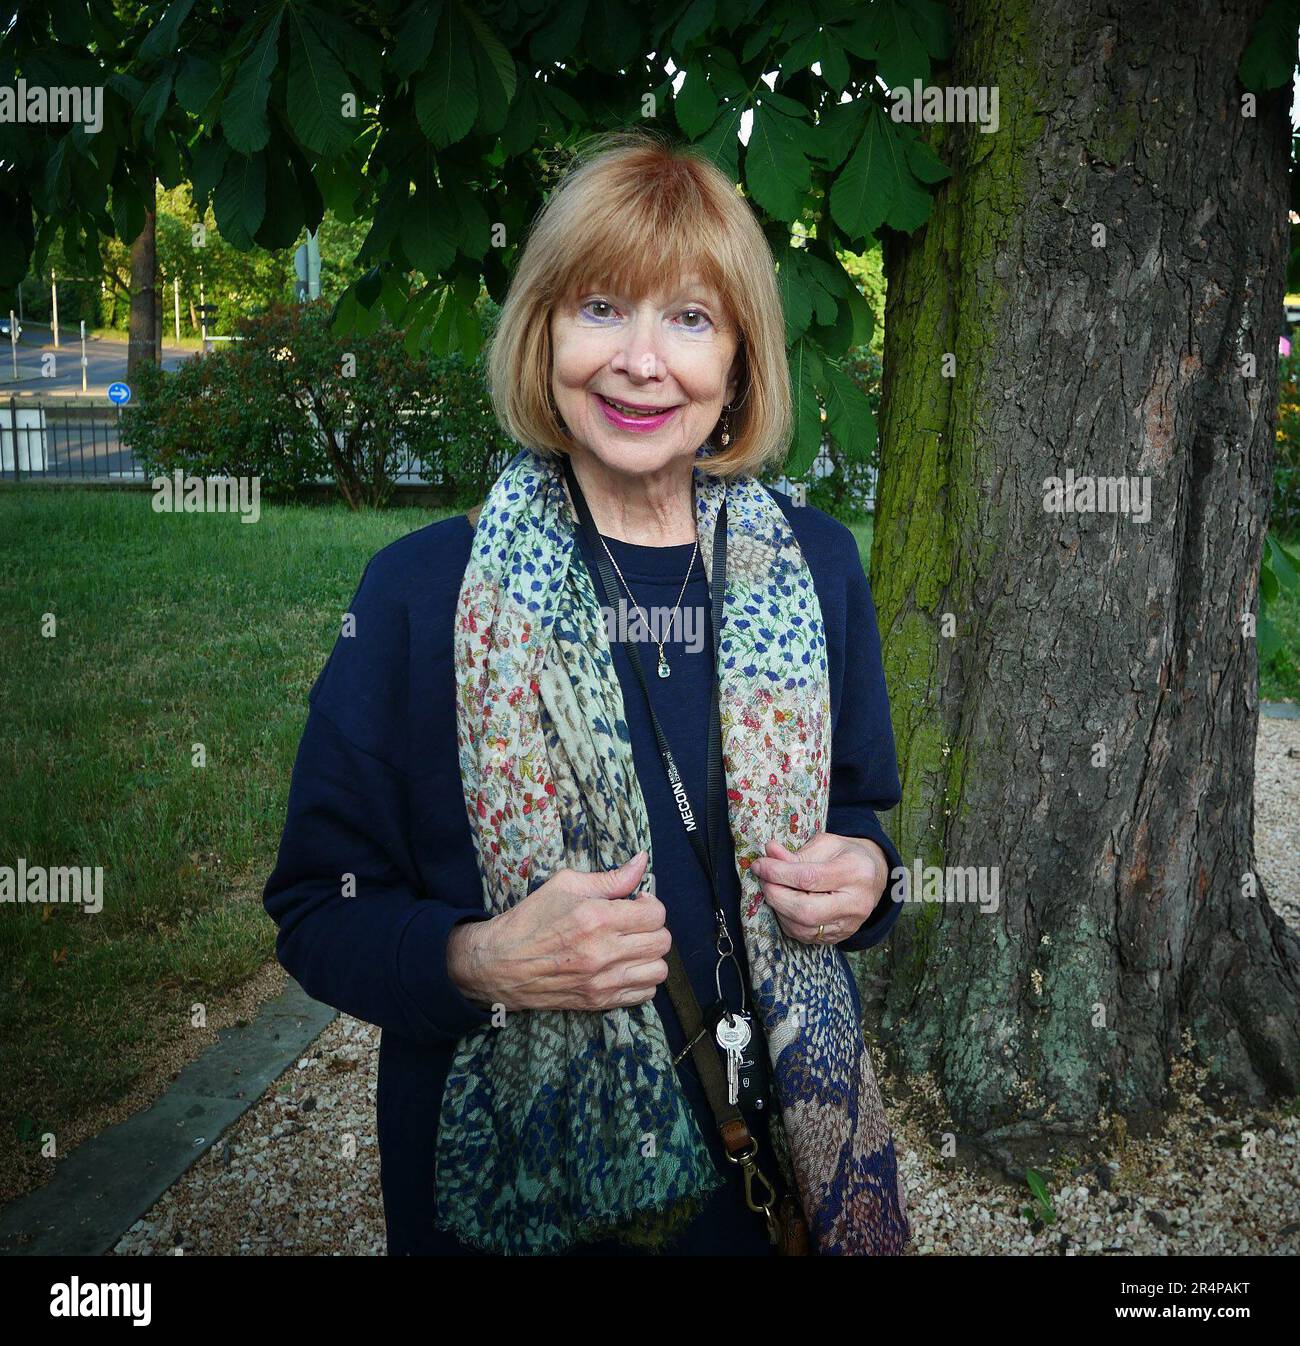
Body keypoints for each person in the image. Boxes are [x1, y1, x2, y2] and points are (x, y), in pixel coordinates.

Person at [263, 128, 910, 1257]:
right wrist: (479, 958)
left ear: (740, 364)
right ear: (543, 333)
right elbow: (318, 907)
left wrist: (869, 877)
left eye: (691, 318)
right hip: (516, 1190)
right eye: (601, 307)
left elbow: (858, 820)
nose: (641, 360)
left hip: (776, 1163)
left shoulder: (813, 569)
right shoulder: (422, 592)